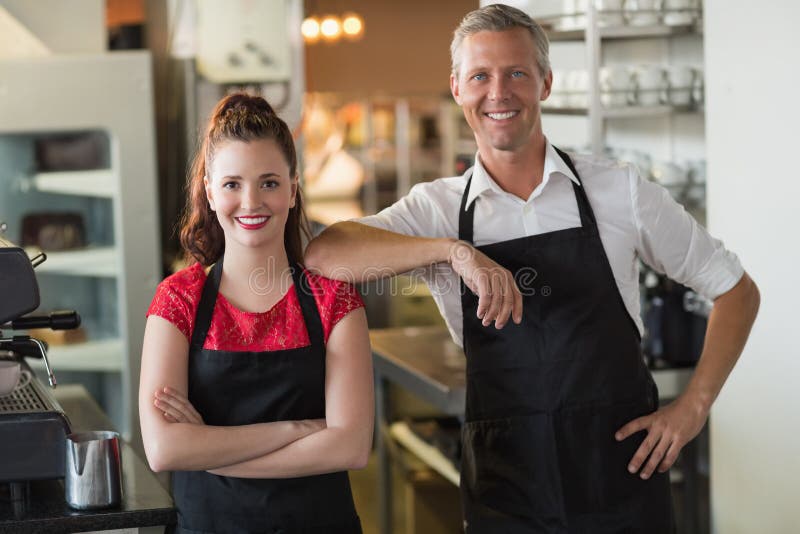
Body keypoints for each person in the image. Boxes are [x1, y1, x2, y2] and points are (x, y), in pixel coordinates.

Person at [305, 4, 760, 532]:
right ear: (457, 88)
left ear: (545, 82)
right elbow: (325, 254)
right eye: (480, 76)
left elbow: (736, 290)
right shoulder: (438, 209)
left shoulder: (619, 190)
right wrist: (453, 251)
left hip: (623, 480)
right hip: (507, 492)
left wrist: (693, 407)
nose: (498, 93)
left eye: (517, 73)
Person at [139, 93, 373, 534]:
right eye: (232, 184)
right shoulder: (178, 300)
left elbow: (352, 447)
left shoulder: (335, 302)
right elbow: (164, 450)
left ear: (293, 189)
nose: (251, 202)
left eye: (268, 183)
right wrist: (296, 430)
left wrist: (208, 451)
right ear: (210, 191)